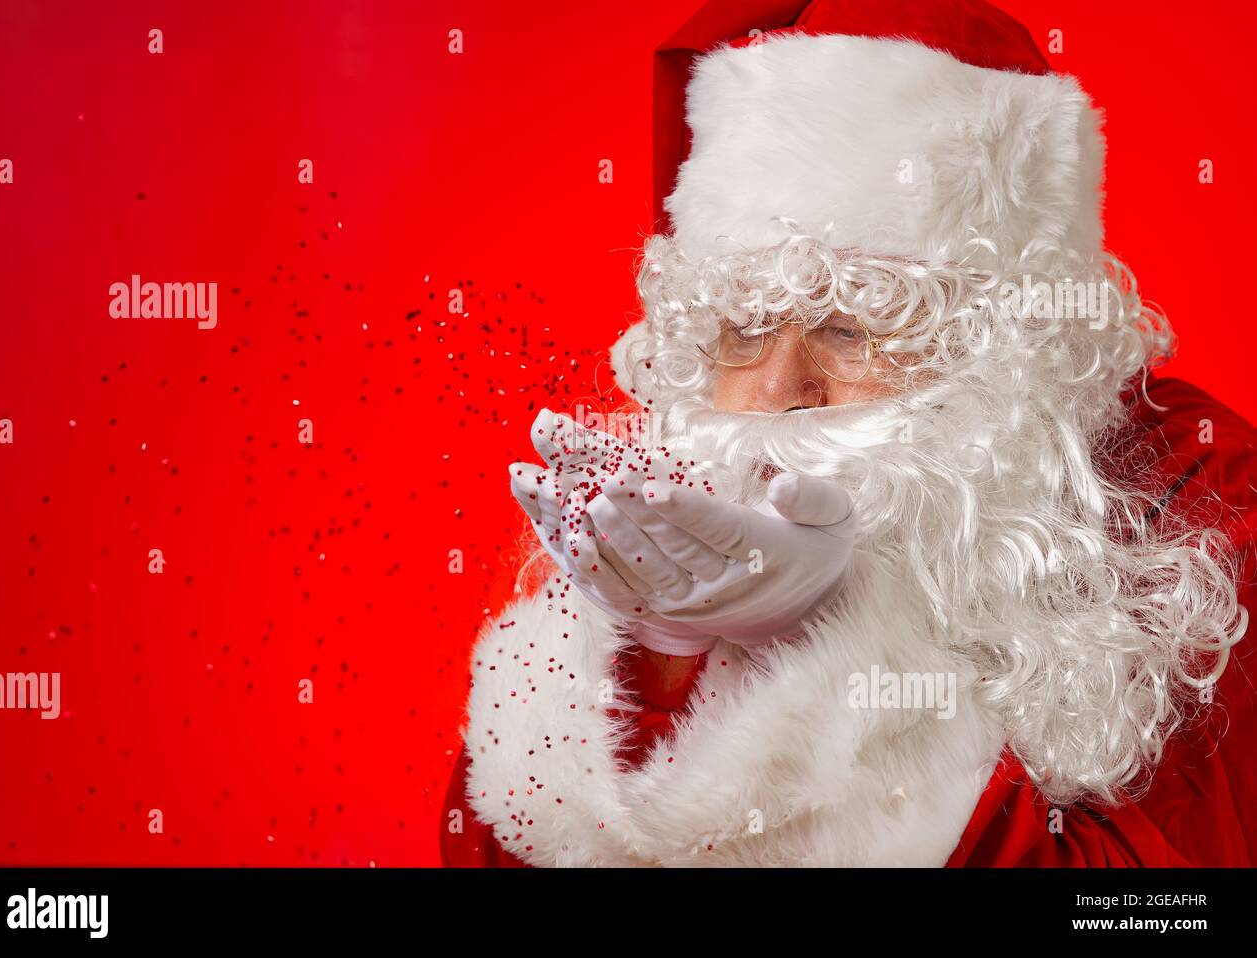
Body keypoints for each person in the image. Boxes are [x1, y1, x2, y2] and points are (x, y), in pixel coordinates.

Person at [440, 0, 1257, 867]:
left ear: (999, 343)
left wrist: (835, 643)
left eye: (851, 326)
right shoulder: (669, 515)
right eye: (744, 329)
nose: (779, 393)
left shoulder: (1201, 495)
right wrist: (660, 662)